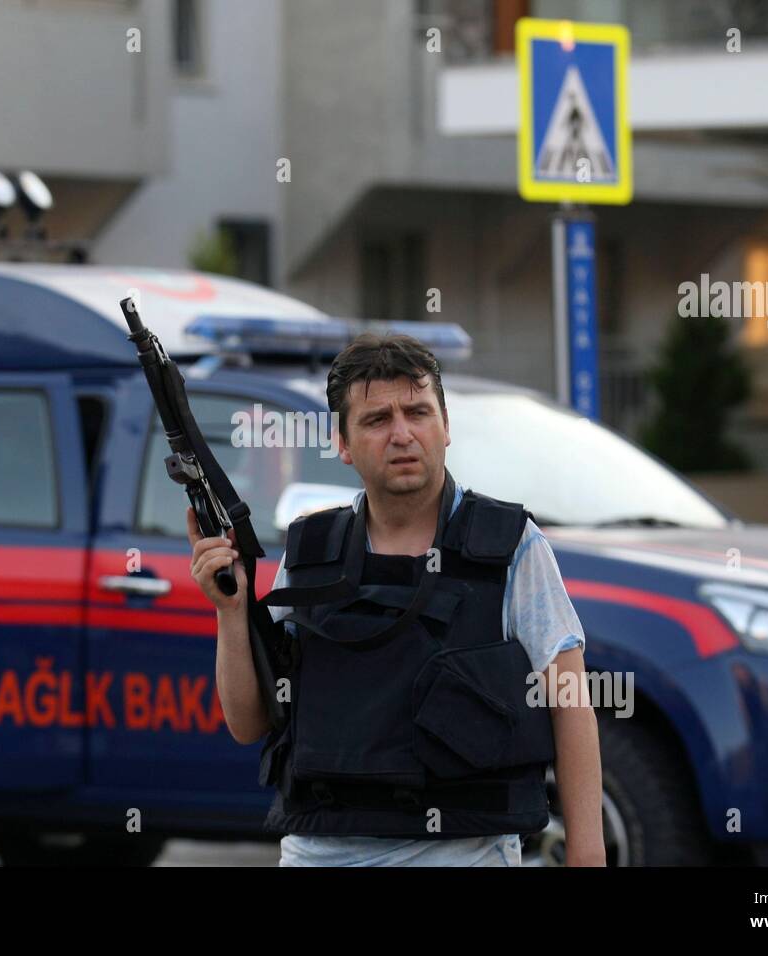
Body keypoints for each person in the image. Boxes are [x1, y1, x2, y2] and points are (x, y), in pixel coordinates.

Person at [187, 334, 606, 867]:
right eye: (377, 419)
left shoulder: (511, 546)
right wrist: (231, 611)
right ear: (342, 443)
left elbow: (570, 701)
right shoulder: (312, 552)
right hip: (323, 853)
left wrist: (588, 856)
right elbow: (248, 725)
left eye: (418, 412)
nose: (403, 434)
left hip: (463, 854)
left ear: (446, 427)